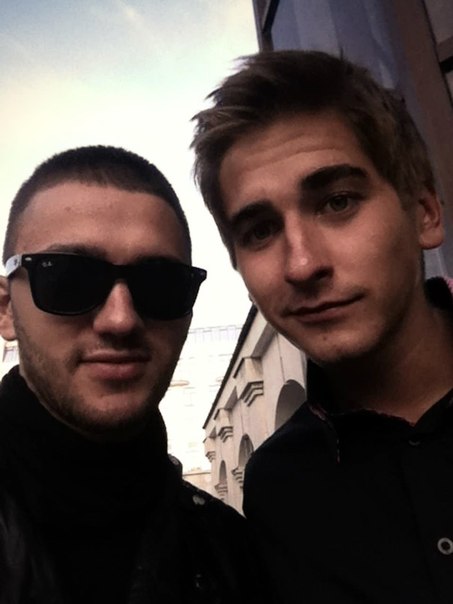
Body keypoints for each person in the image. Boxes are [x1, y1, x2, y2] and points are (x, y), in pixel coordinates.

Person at [192, 49, 453, 603]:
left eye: (337, 202)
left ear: (425, 211)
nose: (302, 263)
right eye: (260, 231)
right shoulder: (279, 490)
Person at [0, 145, 267, 604]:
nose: (121, 319)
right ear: (6, 309)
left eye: (160, 284)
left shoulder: (233, 552)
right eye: (68, 280)